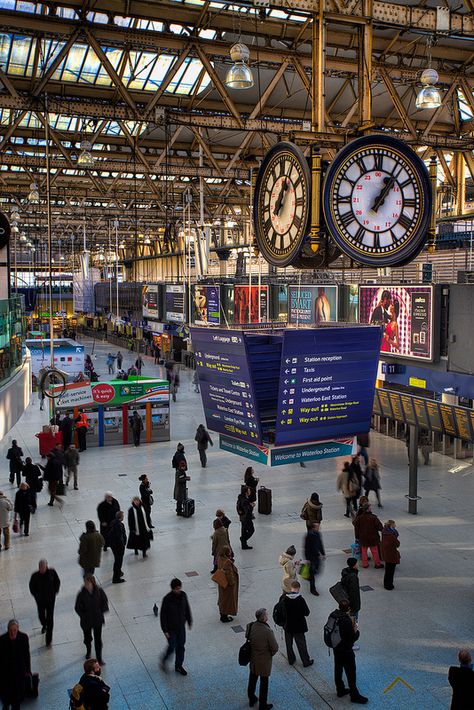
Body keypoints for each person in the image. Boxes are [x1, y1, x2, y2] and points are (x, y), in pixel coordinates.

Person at [329, 599, 368, 704]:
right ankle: (354, 695)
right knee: (351, 672)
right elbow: (352, 638)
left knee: (338, 668)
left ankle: (340, 689)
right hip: (346, 650)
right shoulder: (346, 621)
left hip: (336, 648)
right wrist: (356, 631)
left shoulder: (333, 615)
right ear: (349, 609)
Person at [246, 608, 278, 710]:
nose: (267, 616)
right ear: (264, 618)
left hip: (253, 659)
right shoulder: (268, 631)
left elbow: (247, 636)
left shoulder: (251, 626)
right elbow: (275, 648)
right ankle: (262, 705)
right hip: (264, 661)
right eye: (266, 615)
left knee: (252, 679)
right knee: (264, 684)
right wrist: (269, 655)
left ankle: (251, 698)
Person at [160, 578, 193, 676]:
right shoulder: (167, 599)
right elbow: (163, 616)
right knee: (172, 646)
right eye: (176, 589)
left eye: (179, 588)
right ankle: (164, 660)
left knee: (181, 646)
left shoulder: (183, 596)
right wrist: (165, 630)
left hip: (181, 627)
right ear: (172, 589)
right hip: (171, 629)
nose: (178, 590)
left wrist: (189, 620)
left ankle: (178, 666)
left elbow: (187, 608)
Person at [74, 574, 109, 665]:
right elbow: (77, 607)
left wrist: (101, 611)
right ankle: (88, 651)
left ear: (92, 582)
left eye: (87, 582)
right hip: (86, 620)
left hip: (97, 620)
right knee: (87, 637)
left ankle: (99, 658)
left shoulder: (99, 591)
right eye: (85, 582)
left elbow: (104, 601)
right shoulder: (81, 594)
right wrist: (83, 615)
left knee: (98, 639)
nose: (86, 584)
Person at [0, 619, 31, 709]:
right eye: (11, 630)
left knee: (16, 701)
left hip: (19, 672)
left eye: (15, 630)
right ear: (8, 629)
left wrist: (28, 670)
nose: (13, 633)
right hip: (5, 674)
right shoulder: (2, 640)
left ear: (18, 629)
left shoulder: (23, 638)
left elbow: (26, 655)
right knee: (6, 699)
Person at [29, 559, 60, 646]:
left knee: (50, 618)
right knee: (41, 616)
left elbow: (57, 582)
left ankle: (48, 639)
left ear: (46, 566)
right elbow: (31, 587)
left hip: (50, 600)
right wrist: (36, 596)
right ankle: (44, 625)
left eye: (43, 567)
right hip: (40, 601)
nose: (42, 569)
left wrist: (55, 591)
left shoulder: (52, 572)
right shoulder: (35, 576)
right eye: (40, 567)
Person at [283, 580, 313, 667]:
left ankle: (291, 659)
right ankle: (305, 661)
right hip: (299, 626)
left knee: (289, 643)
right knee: (301, 644)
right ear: (298, 588)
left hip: (288, 625)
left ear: (291, 588)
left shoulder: (284, 598)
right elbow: (307, 612)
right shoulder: (300, 600)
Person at [353, 503, 384, 569]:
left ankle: (365, 564)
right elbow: (380, 527)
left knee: (364, 551)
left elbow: (355, 526)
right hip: (373, 538)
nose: (371, 508)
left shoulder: (359, 518)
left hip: (363, 538)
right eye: (370, 507)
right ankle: (377, 564)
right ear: (368, 509)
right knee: (375, 551)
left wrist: (357, 537)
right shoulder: (373, 517)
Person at [216, 545, 238, 623]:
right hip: (227, 585)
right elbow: (229, 574)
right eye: (229, 551)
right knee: (227, 600)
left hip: (221, 582)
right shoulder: (227, 562)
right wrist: (232, 583)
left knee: (222, 599)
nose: (230, 552)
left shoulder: (219, 558)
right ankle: (224, 617)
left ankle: (222, 614)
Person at [304, 522, 325, 596]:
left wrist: (323, 553)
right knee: (312, 572)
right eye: (317, 527)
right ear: (313, 528)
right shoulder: (309, 536)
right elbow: (306, 548)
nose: (319, 528)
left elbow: (320, 544)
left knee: (317, 570)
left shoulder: (318, 534)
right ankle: (313, 589)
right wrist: (307, 559)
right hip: (311, 557)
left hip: (316, 556)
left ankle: (309, 576)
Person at [381, 520, 400, 590]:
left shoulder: (384, 532)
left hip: (386, 553)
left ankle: (386, 583)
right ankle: (389, 585)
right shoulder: (391, 535)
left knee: (387, 570)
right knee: (391, 571)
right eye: (394, 524)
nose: (395, 525)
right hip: (391, 554)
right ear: (391, 525)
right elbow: (397, 544)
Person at [108, 511, 127, 584]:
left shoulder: (113, 522)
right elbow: (120, 537)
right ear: (121, 517)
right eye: (123, 516)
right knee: (118, 562)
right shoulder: (119, 525)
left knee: (117, 561)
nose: (123, 517)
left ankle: (117, 574)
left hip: (114, 546)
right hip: (118, 547)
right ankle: (116, 578)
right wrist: (122, 545)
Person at [340, 558, 361, 622]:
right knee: (354, 621)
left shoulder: (346, 573)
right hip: (353, 606)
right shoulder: (353, 577)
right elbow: (354, 594)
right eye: (357, 563)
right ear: (354, 565)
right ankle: (354, 631)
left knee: (349, 620)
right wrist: (354, 607)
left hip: (346, 602)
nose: (358, 564)